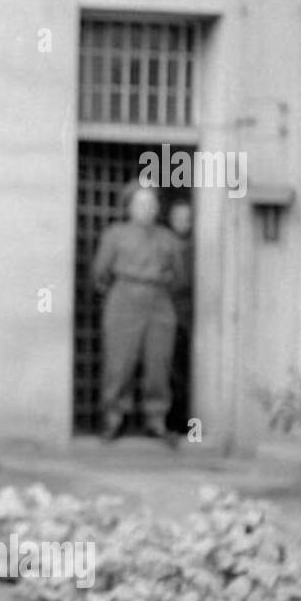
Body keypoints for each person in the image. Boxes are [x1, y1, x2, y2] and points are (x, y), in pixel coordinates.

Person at [91, 182, 184, 443]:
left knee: (159, 361)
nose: (147, 208)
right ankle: (114, 417)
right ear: (130, 206)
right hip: (124, 297)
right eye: (141, 203)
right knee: (119, 361)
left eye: (151, 203)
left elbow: (179, 277)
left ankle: (156, 418)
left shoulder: (167, 238)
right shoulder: (115, 234)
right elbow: (100, 272)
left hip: (158, 299)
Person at [165, 200, 194, 436]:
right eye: (178, 217)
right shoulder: (165, 245)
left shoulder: (196, 247)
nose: (183, 222)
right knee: (170, 370)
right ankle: (170, 421)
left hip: (189, 317)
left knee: (185, 371)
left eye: (187, 217)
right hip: (168, 314)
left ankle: (184, 420)